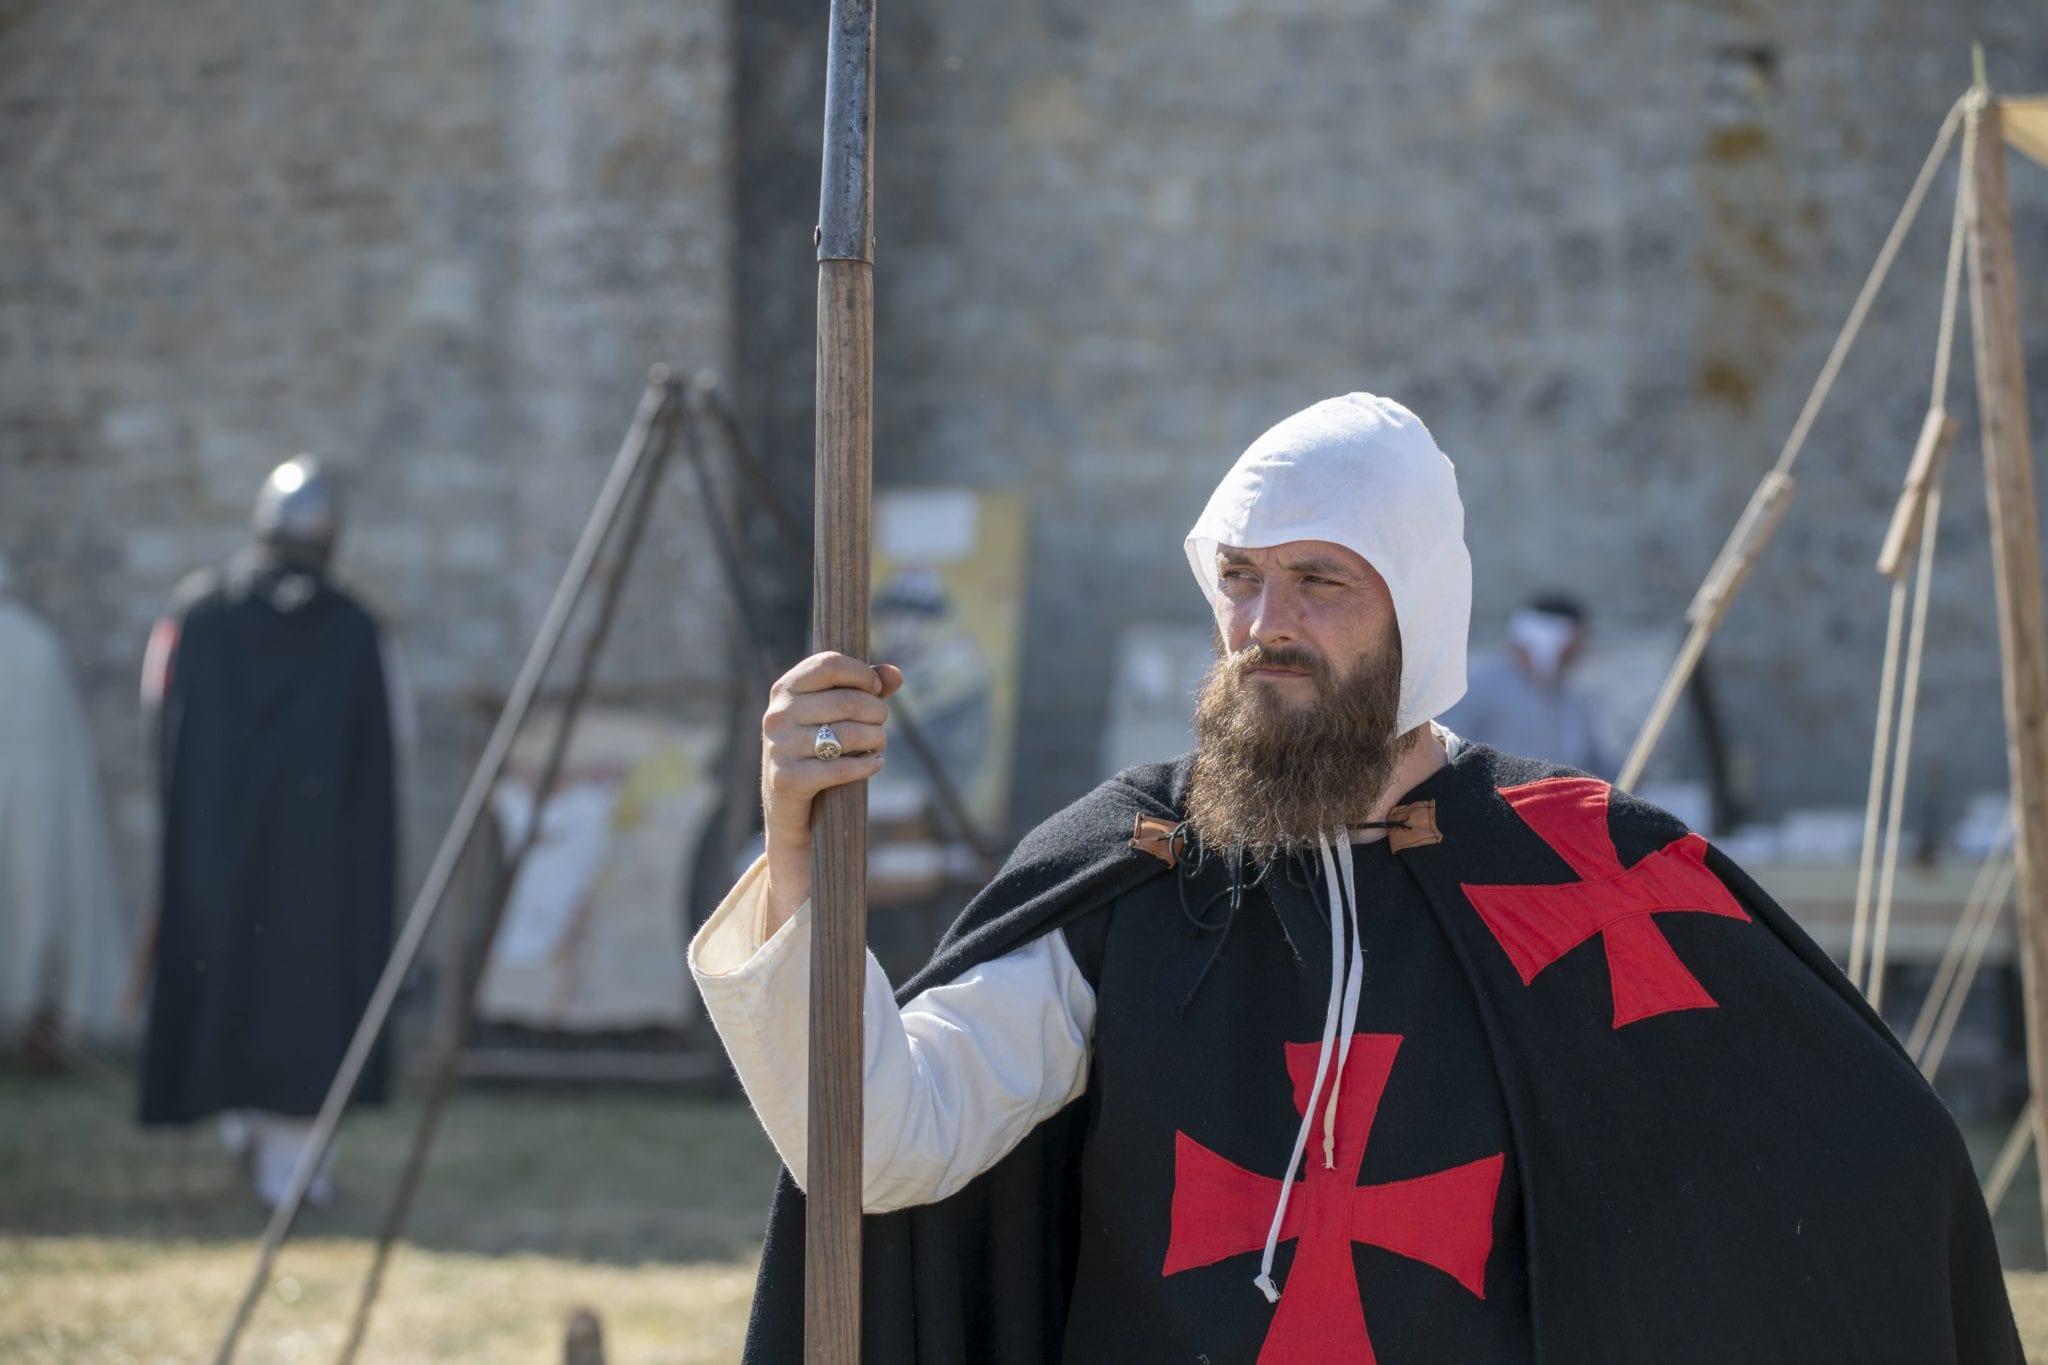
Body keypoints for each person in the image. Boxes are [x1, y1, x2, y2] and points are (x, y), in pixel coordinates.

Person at [690, 395, 2019, 1362]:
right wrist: (797, 844)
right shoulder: (1136, 871)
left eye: (1320, 581)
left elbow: (1872, 1162)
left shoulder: (1582, 873)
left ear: (1418, 614)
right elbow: (880, 1142)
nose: (1267, 624)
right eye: (1241, 579)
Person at [137, 456, 408, 1209]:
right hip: (319, 864)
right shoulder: (358, 630)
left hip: (218, 850)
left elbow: (156, 716)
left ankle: (255, 1148)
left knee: (233, 976)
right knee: (300, 990)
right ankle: (287, 1169)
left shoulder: (197, 611)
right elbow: (396, 735)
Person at [0, 548, 130, 1069]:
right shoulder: (38, 644)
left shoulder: (35, 646)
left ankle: (39, 1027)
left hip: (35, 809)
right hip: (38, 815)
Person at [1443, 593, 1608, 776]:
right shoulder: (1476, 688)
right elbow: (1447, 753)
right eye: (1571, 646)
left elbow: (1594, 763)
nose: (1578, 654)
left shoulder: (1574, 700)